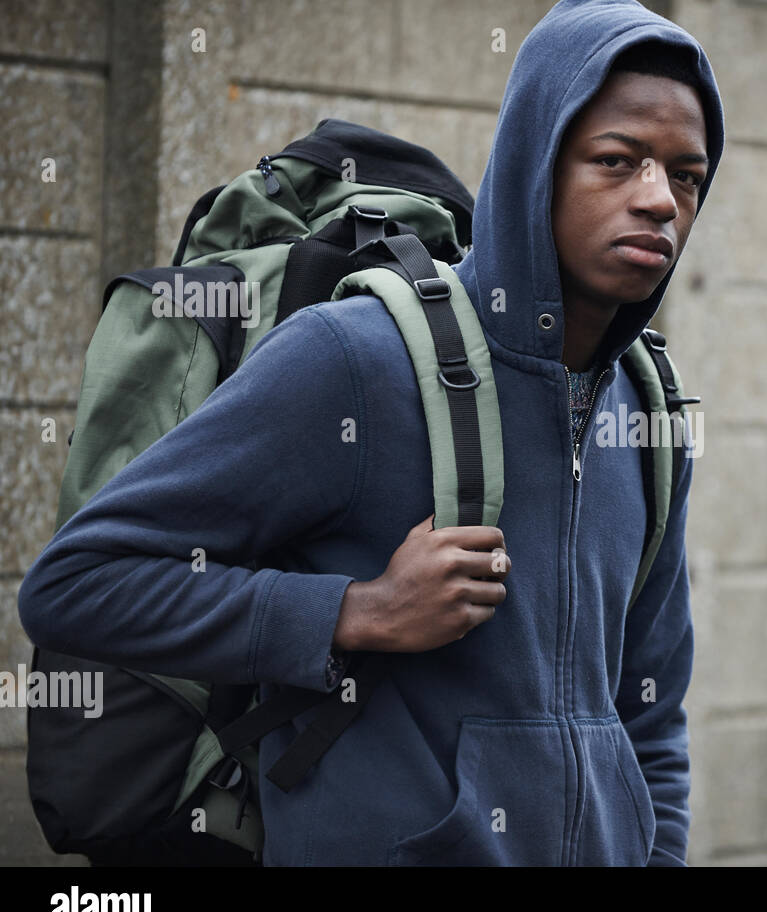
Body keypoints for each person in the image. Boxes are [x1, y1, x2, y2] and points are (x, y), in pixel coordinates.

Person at [17, 0, 725, 866]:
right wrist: (353, 612)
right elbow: (78, 584)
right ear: (537, 165)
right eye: (617, 161)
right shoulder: (357, 358)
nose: (658, 200)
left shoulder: (648, 411)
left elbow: (649, 717)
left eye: (686, 175)